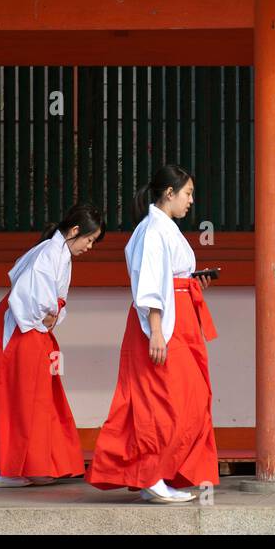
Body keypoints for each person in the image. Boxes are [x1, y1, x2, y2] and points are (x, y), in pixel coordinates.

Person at [87, 164, 219, 504]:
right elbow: (149, 282)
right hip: (162, 326)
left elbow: (172, 276)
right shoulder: (152, 231)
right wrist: (156, 331)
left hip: (179, 319)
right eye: (187, 193)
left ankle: (158, 473)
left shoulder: (165, 229)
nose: (191, 201)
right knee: (161, 402)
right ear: (169, 193)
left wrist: (193, 280)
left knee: (190, 397)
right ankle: (152, 474)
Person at [0, 203, 104, 488]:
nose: (89, 246)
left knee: (35, 396)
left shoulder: (57, 253)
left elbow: (51, 302)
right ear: (74, 231)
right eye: (89, 239)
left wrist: (53, 313)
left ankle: (21, 465)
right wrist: (49, 313)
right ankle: (4, 469)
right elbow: (29, 299)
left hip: (32, 327)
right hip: (24, 326)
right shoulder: (50, 253)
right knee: (18, 394)